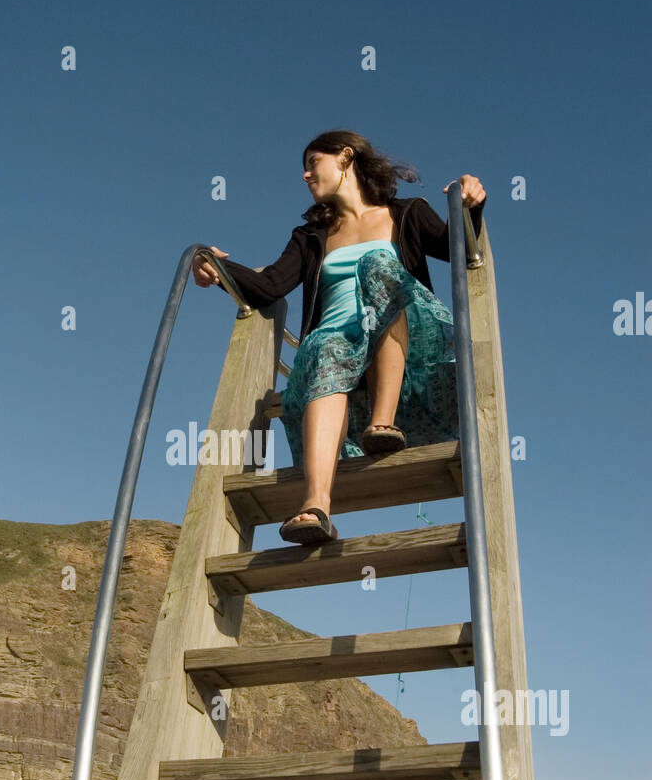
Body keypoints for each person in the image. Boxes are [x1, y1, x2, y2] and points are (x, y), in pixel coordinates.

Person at [191, 129, 486, 545]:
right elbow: (269, 286)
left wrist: (471, 204)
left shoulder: (407, 214)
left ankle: (383, 423)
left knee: (378, 267)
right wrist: (217, 269)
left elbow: (459, 250)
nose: (306, 176)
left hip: (406, 352)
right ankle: (315, 507)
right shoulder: (311, 236)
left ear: (345, 157)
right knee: (324, 343)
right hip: (334, 356)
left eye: (313, 164)